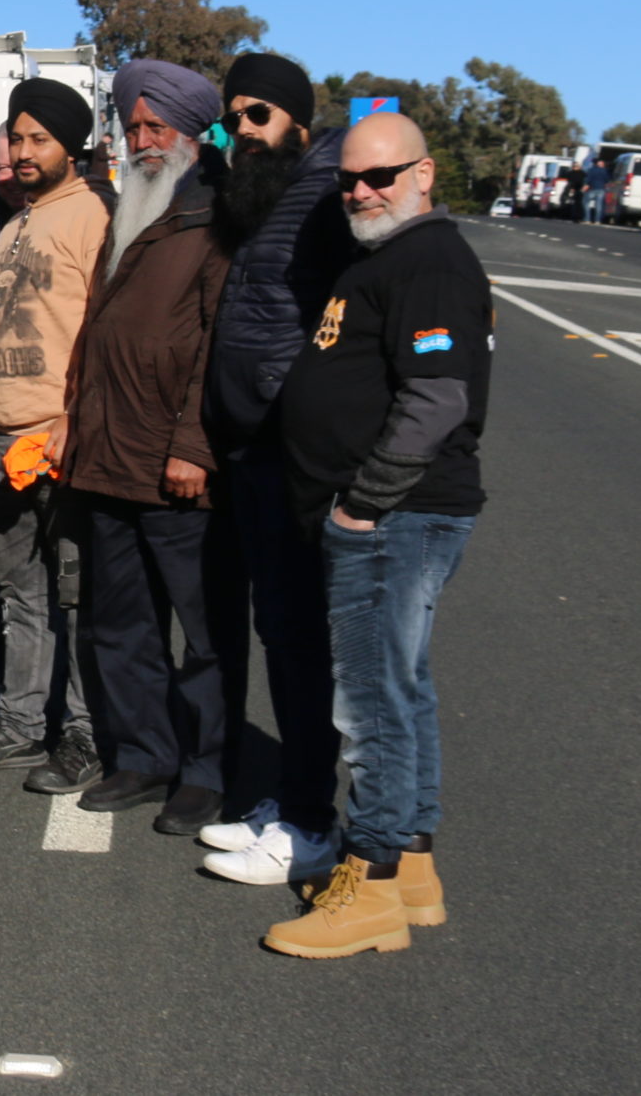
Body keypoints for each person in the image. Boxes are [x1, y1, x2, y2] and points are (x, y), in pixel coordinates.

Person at [266, 113, 488, 958]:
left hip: (395, 515)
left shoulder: (428, 259)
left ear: (424, 173)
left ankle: (373, 879)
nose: (361, 191)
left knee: (369, 701)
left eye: (381, 176)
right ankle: (414, 867)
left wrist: (362, 503)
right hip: (393, 514)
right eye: (350, 178)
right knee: (402, 685)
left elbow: (438, 396)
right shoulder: (386, 257)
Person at [61, 59, 238, 835]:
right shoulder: (128, 211)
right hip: (107, 456)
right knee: (119, 624)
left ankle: (206, 769)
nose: (141, 141)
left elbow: (214, 345)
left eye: (156, 127)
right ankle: (143, 754)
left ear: (193, 137)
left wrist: (194, 445)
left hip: (174, 464)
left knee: (203, 634)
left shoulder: (217, 218)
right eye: (134, 127)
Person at [199, 52, 353, 884]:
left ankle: (311, 823)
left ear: (297, 119)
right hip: (251, 450)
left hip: (296, 453)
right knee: (279, 635)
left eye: (259, 115)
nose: (243, 130)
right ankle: (294, 797)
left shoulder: (325, 191)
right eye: (233, 117)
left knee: (303, 643)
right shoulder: (261, 195)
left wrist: (302, 406)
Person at [0, 77, 108, 791]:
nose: (26, 150)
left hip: (58, 435)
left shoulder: (91, 215)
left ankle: (86, 733)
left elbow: (103, 329)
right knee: (20, 593)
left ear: (73, 146)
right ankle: (21, 721)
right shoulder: (12, 225)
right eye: (19, 137)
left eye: (43, 138)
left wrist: (76, 418)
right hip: (0, 435)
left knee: (79, 592)